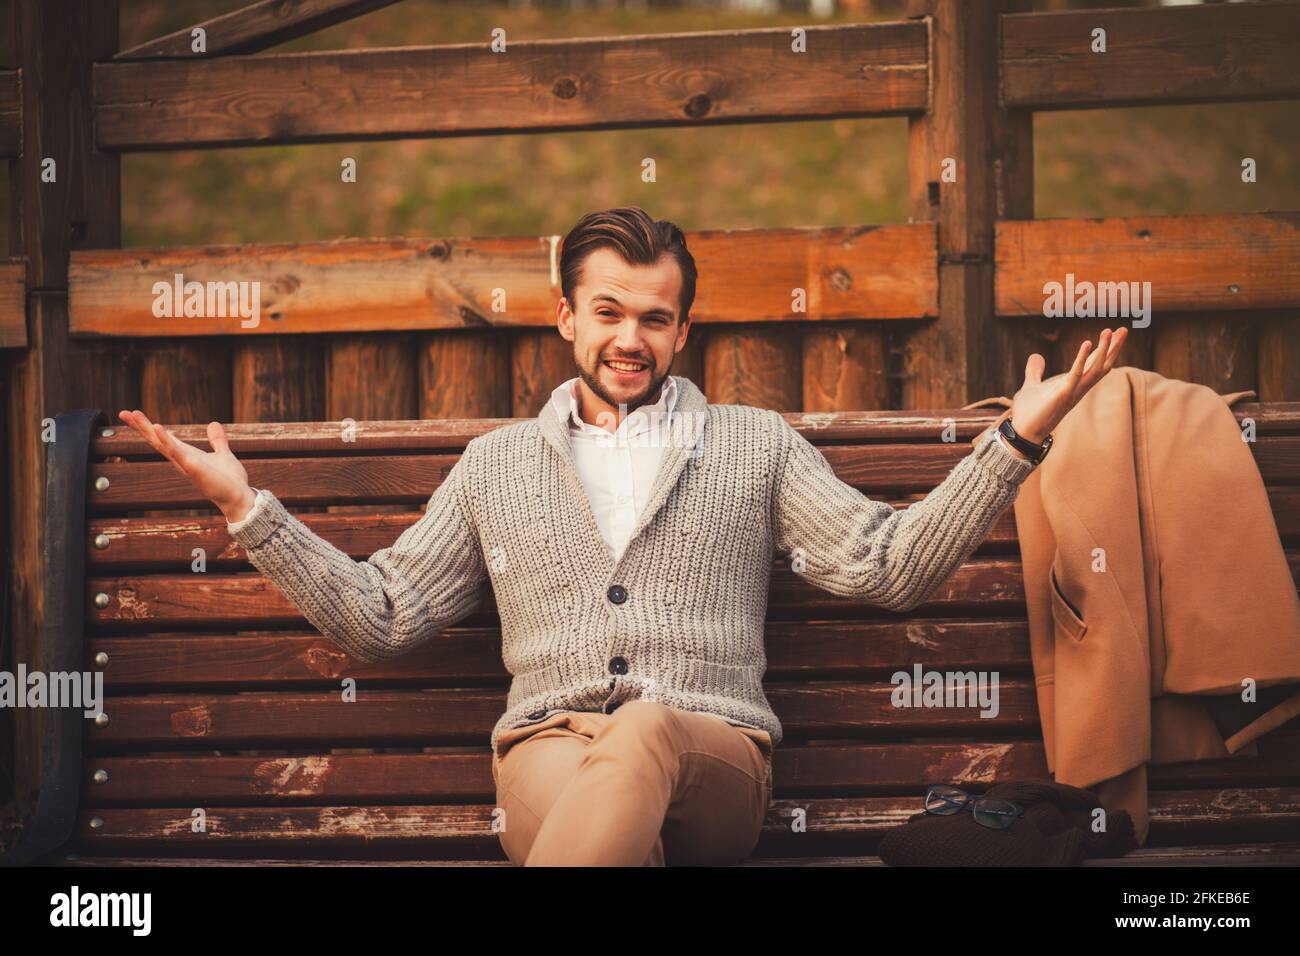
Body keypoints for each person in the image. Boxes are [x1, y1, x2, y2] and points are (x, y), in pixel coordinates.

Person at [118, 206, 1128, 866]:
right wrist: (249, 511)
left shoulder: (751, 444)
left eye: (655, 315)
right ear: (565, 315)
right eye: (607, 310)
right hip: (546, 753)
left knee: (645, 726)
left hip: (712, 759)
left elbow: (886, 565)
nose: (629, 337)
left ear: (683, 329)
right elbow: (383, 618)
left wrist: (1014, 439)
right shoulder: (497, 464)